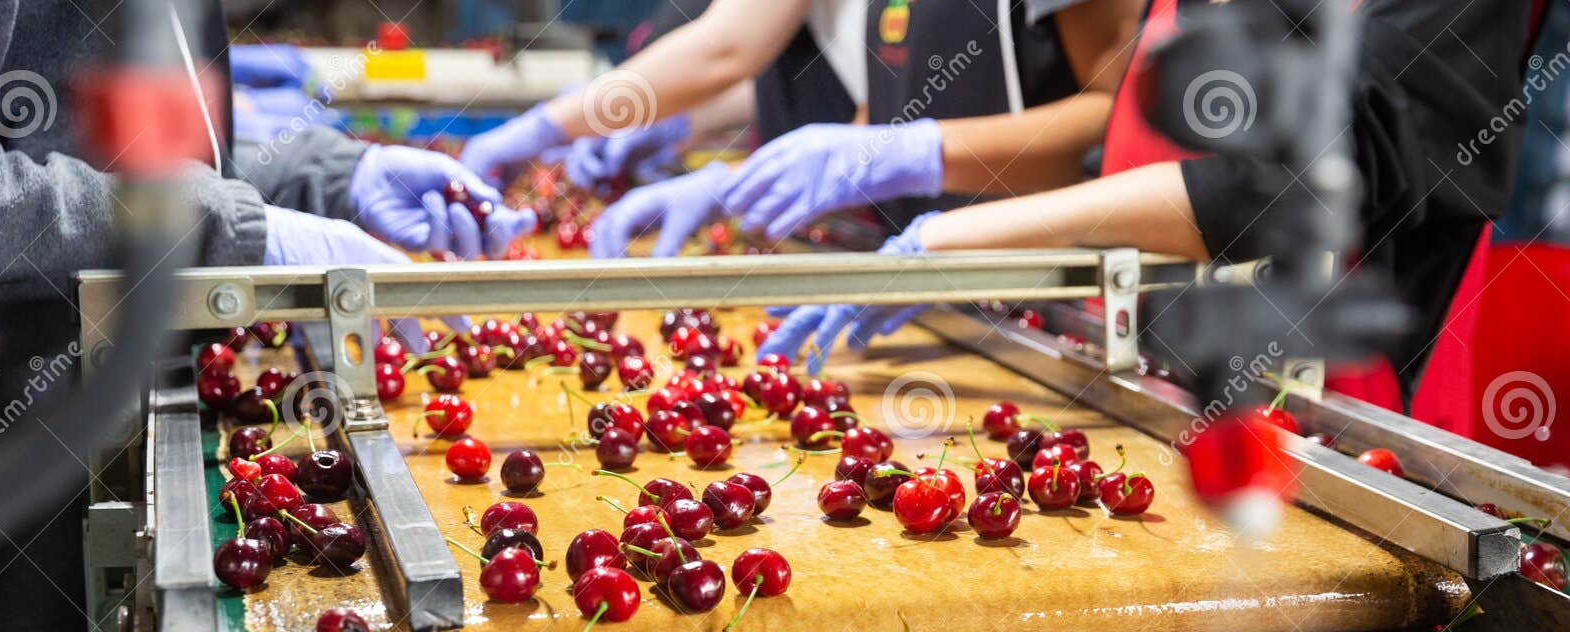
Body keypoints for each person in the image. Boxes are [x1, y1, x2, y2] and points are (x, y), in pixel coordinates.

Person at [760, 0, 1540, 417]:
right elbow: (1129, 137)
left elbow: (1292, 185)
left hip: (1335, 453)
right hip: (1139, 403)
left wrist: (949, 237)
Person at [0, 1, 530, 372]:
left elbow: (123, 144)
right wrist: (221, 227)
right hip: (8, 429)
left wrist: (335, 178)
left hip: (115, 365)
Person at [587, 0, 1145, 257]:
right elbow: (883, 98)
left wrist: (913, 153)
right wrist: (747, 183)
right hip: (920, 281)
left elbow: (1112, 117)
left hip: (1041, 287)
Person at [457, 0, 869, 258]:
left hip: (892, 211)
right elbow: (760, 66)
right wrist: (684, 122)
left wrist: (548, 125)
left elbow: (727, 47)